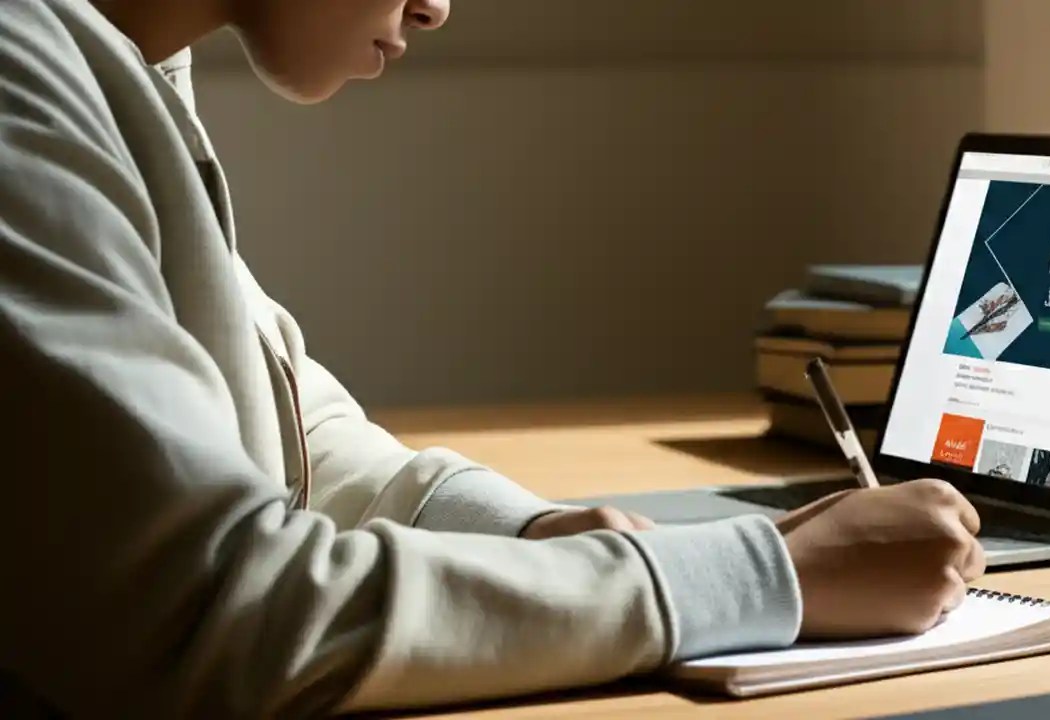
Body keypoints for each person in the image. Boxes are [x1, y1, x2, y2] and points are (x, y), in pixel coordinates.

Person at [0, 0, 986, 716]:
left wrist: (529, 531)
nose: (433, 8)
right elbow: (208, 613)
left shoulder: (120, 60)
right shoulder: (17, 76)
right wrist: (760, 580)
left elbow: (284, 425)